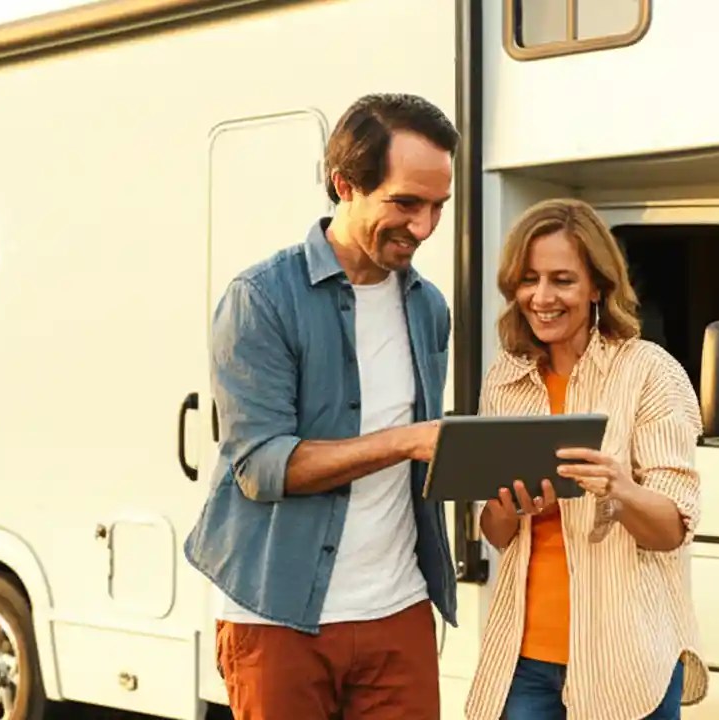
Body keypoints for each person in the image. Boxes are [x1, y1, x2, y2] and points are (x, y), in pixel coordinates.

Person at [182, 93, 460, 720]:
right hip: (279, 614)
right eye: (406, 203)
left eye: (437, 206)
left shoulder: (428, 308)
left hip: (398, 609)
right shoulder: (261, 299)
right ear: (345, 185)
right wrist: (407, 441)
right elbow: (262, 467)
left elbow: (429, 455)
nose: (423, 226)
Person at [464, 198, 709, 720]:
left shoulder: (650, 372)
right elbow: (497, 531)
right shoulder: (506, 379)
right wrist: (512, 505)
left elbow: (671, 529)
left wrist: (621, 490)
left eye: (562, 280)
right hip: (524, 660)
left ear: (598, 286)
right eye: (529, 280)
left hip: (624, 662)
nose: (543, 297)